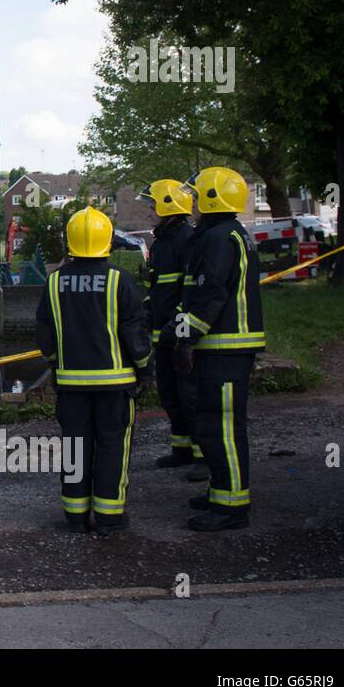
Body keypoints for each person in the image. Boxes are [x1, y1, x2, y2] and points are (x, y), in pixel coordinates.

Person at [36, 206, 151, 535]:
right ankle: (109, 516)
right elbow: (135, 334)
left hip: (71, 386)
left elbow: (45, 332)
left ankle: (75, 515)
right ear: (108, 241)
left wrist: (57, 361)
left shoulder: (54, 281)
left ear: (70, 242)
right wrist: (145, 369)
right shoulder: (120, 281)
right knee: (113, 445)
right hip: (115, 386)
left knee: (74, 446)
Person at [175, 167, 264, 532]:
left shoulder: (217, 239)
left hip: (224, 350)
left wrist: (183, 336)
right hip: (227, 349)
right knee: (216, 425)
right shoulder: (230, 234)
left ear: (212, 198)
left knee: (221, 428)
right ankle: (221, 492)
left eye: (196, 196)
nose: (192, 202)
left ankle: (230, 507)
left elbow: (210, 294)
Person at [137, 179, 205, 478]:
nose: (148, 212)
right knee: (170, 392)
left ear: (167, 206)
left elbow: (190, 293)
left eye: (153, 206)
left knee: (190, 394)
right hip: (163, 334)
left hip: (181, 335)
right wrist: (147, 313)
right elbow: (157, 290)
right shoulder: (162, 242)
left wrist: (174, 325)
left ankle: (204, 456)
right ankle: (182, 448)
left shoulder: (186, 240)